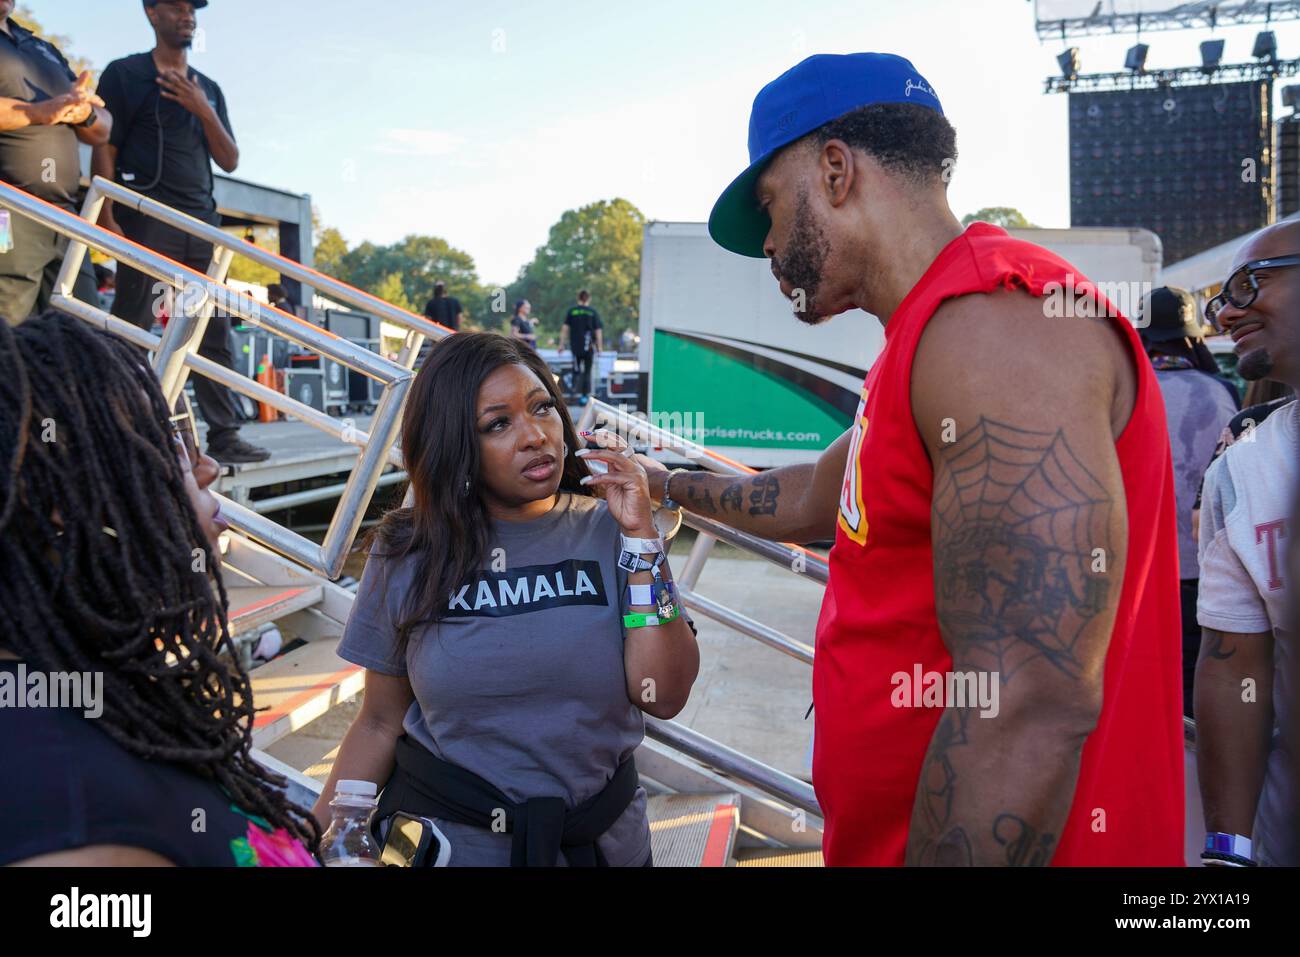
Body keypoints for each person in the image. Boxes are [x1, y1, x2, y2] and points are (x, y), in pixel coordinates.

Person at [641, 52, 1183, 865]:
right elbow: (814, 498)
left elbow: (1028, 697)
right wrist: (663, 482)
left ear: (833, 171)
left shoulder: (995, 327)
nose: (770, 248)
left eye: (770, 209)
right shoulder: (928, 338)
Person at [316, 332, 699, 866]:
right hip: (452, 847)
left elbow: (664, 695)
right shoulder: (408, 550)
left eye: (542, 408)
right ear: (457, 445)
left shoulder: (613, 532)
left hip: (603, 847)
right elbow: (380, 721)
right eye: (498, 424)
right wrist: (325, 837)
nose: (535, 436)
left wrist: (641, 537)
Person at [0, 311, 317, 866]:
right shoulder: (74, 825)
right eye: (168, 441)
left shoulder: (86, 684)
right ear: (65, 508)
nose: (208, 467)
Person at [93, 0, 269, 465]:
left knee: (213, 330)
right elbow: (104, 146)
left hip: (202, 223)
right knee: (134, 321)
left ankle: (225, 434)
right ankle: (119, 424)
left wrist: (201, 108)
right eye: (176, 7)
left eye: (193, 9)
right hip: (147, 217)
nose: (188, 15)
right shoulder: (124, 73)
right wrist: (107, 213)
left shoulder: (207, 88)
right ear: (152, 14)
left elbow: (229, 159)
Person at [1195, 219, 1300, 867]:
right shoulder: (1242, 469)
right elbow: (1236, 666)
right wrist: (1228, 853)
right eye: (1219, 299)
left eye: (1248, 284)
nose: (1228, 311)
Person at [1138, 286, 1239, 718]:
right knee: (1201, 683)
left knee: (1149, 681)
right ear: (1193, 337)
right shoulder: (1224, 392)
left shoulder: (1127, 391)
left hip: (1142, 570)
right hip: (1212, 570)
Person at [0, 1, 109, 323]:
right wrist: (36, 112)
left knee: (83, 332)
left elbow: (103, 129)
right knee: (8, 327)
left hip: (64, 215)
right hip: (8, 210)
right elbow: (42, 111)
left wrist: (83, 112)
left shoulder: (42, 48)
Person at [561, 289, 604, 405]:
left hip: (575, 347)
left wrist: (561, 345)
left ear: (578, 298)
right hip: (589, 347)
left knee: (576, 370)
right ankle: (584, 397)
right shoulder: (592, 312)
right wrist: (600, 347)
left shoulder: (572, 311)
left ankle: (571, 395)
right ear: (589, 299)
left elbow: (565, 329)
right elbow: (598, 330)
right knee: (587, 372)